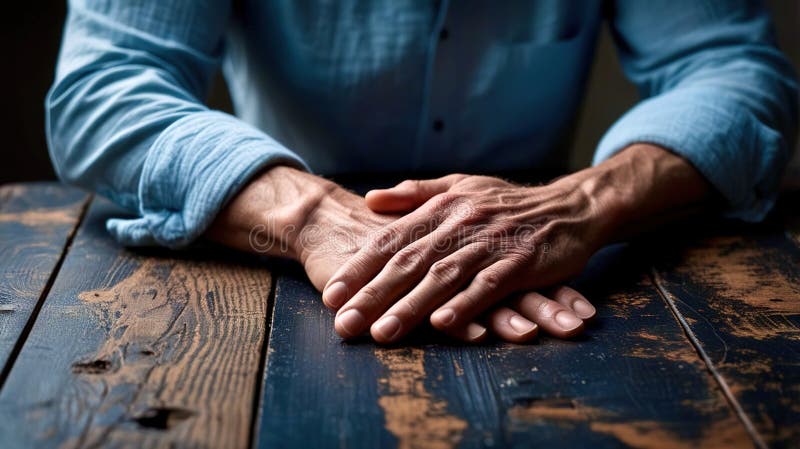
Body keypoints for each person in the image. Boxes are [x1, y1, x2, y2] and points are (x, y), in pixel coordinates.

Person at [47, 1, 797, 345]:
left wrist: (577, 204)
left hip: (543, 251)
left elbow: (732, 69)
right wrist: (312, 216)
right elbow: (102, 87)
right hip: (291, 271)